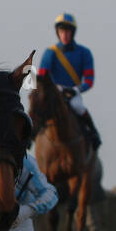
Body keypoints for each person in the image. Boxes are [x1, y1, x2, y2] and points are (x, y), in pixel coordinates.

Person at [37, 13, 100, 153]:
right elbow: (42, 77)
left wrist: (77, 90)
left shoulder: (84, 52)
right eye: (61, 31)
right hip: (55, 92)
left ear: (73, 33)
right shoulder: (50, 52)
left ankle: (94, 133)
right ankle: (30, 136)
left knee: (78, 107)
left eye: (67, 31)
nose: (64, 35)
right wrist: (55, 89)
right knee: (39, 109)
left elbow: (89, 80)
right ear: (57, 33)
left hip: (74, 92)